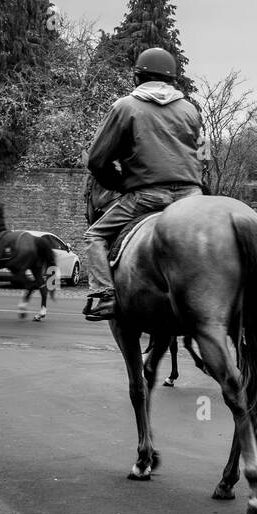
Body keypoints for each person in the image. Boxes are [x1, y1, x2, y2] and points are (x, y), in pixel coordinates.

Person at [80, 47, 203, 321]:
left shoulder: (125, 106)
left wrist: (121, 184)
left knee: (94, 237)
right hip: (192, 196)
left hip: (148, 196)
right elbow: (197, 152)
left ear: (138, 76)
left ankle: (104, 296)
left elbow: (97, 160)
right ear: (171, 79)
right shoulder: (189, 109)